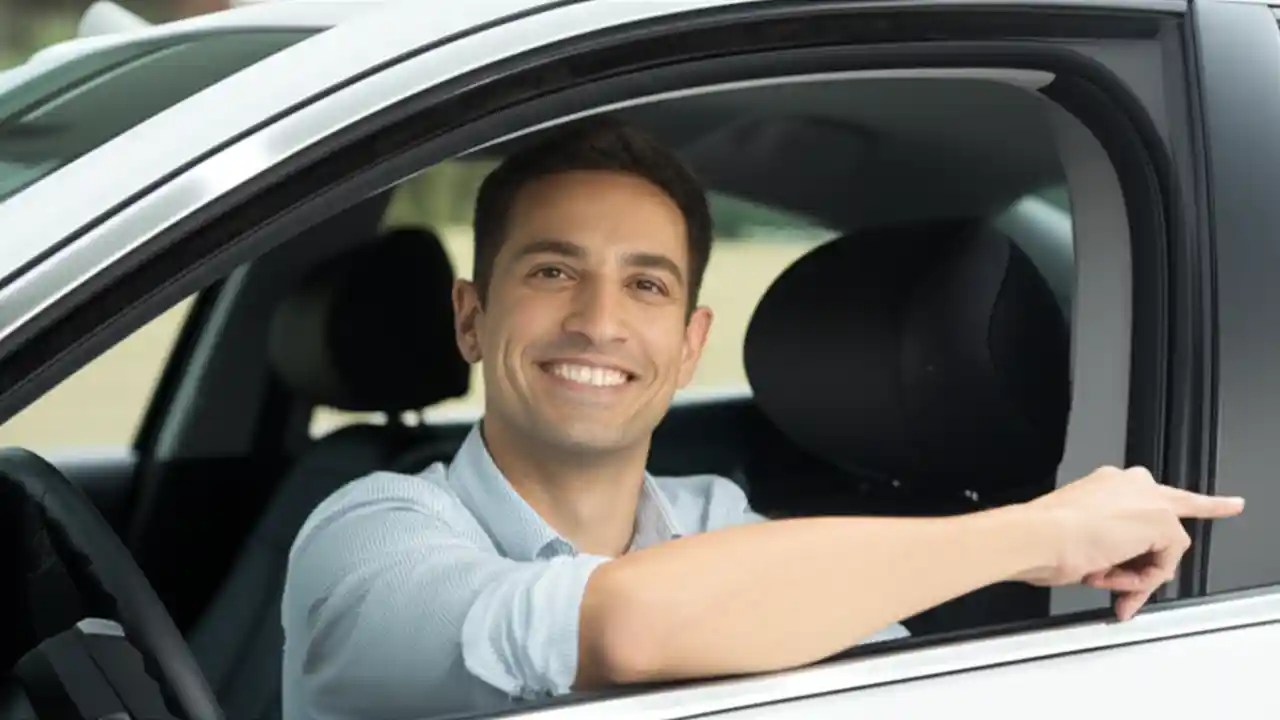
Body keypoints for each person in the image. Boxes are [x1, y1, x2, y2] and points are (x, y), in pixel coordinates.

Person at [280, 117, 1245, 720]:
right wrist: (1039, 535)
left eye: (646, 285)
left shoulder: (713, 520)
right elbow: (617, 626)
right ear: (471, 318)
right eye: (551, 271)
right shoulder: (372, 534)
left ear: (692, 343)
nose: (599, 321)